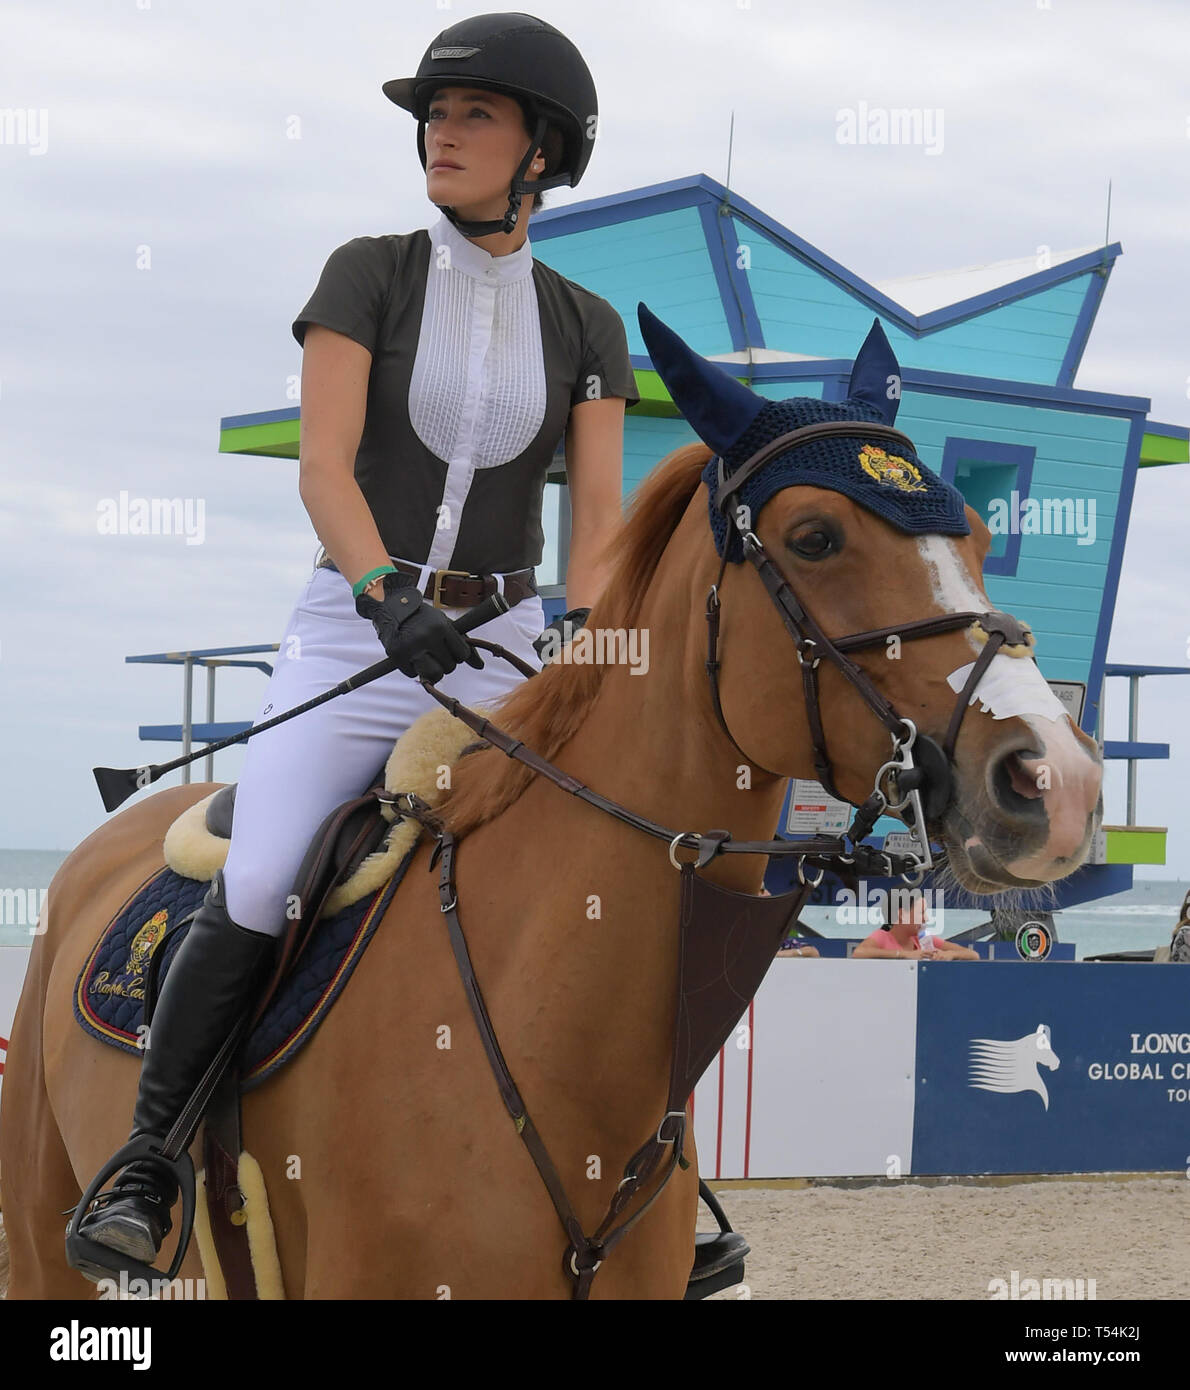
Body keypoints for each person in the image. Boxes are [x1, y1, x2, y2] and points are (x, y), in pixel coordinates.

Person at [73, 12, 637, 1277]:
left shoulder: (589, 327)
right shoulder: (365, 273)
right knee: (267, 869)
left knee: (599, 867)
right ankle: (149, 1162)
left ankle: (654, 1180)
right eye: (433, 113)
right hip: (355, 627)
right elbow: (322, 464)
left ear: (542, 150)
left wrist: (586, 637)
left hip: (506, 637)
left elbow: (595, 517)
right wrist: (387, 595)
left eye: (473, 112)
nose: (440, 128)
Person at [851, 890, 979, 960]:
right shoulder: (882, 936)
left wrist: (950, 955)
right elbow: (859, 953)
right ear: (902, 914)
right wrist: (905, 955)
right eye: (921, 913)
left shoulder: (924, 938)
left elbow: (973, 955)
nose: (926, 918)